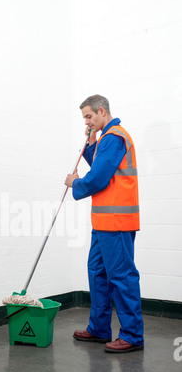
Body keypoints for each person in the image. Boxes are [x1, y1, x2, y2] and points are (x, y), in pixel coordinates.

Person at [64, 94, 144, 353]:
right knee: (97, 272)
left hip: (117, 221)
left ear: (102, 111)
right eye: (84, 118)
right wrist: (90, 145)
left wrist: (75, 183)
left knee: (121, 276)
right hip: (103, 222)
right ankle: (99, 328)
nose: (86, 122)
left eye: (88, 116)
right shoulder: (105, 139)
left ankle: (132, 335)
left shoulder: (114, 137)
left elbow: (99, 178)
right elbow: (103, 166)